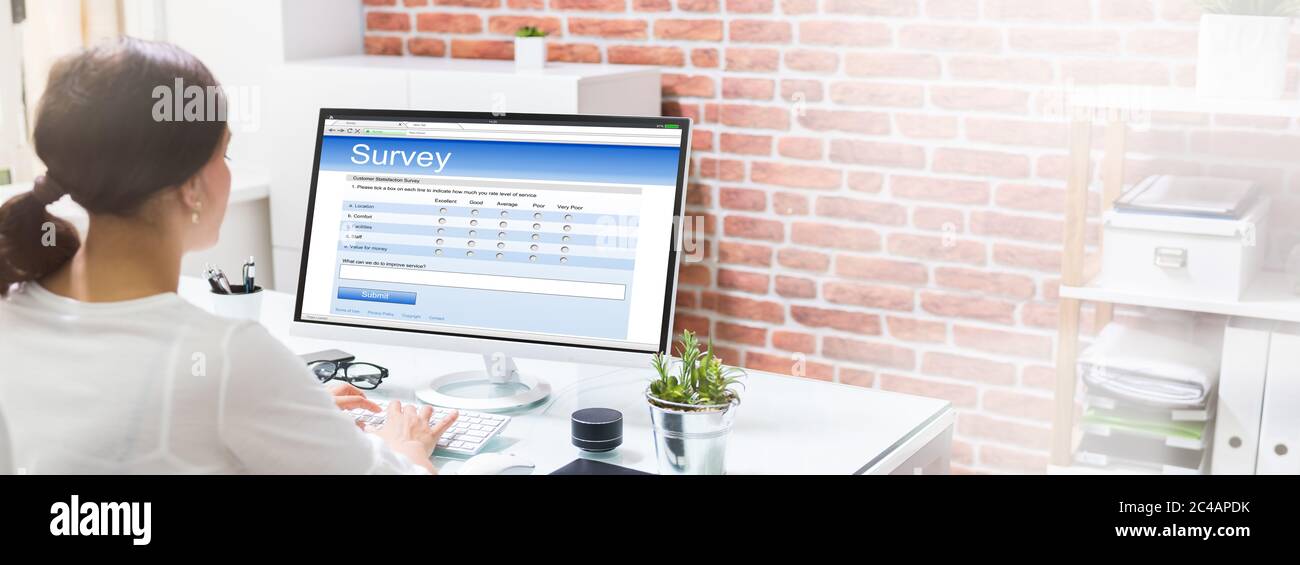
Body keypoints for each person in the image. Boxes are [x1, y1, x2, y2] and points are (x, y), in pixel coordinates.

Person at [0, 37, 455, 474]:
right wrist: (406, 448)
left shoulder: (13, 304)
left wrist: (283, 402)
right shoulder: (231, 359)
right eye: (225, 152)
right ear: (192, 186)